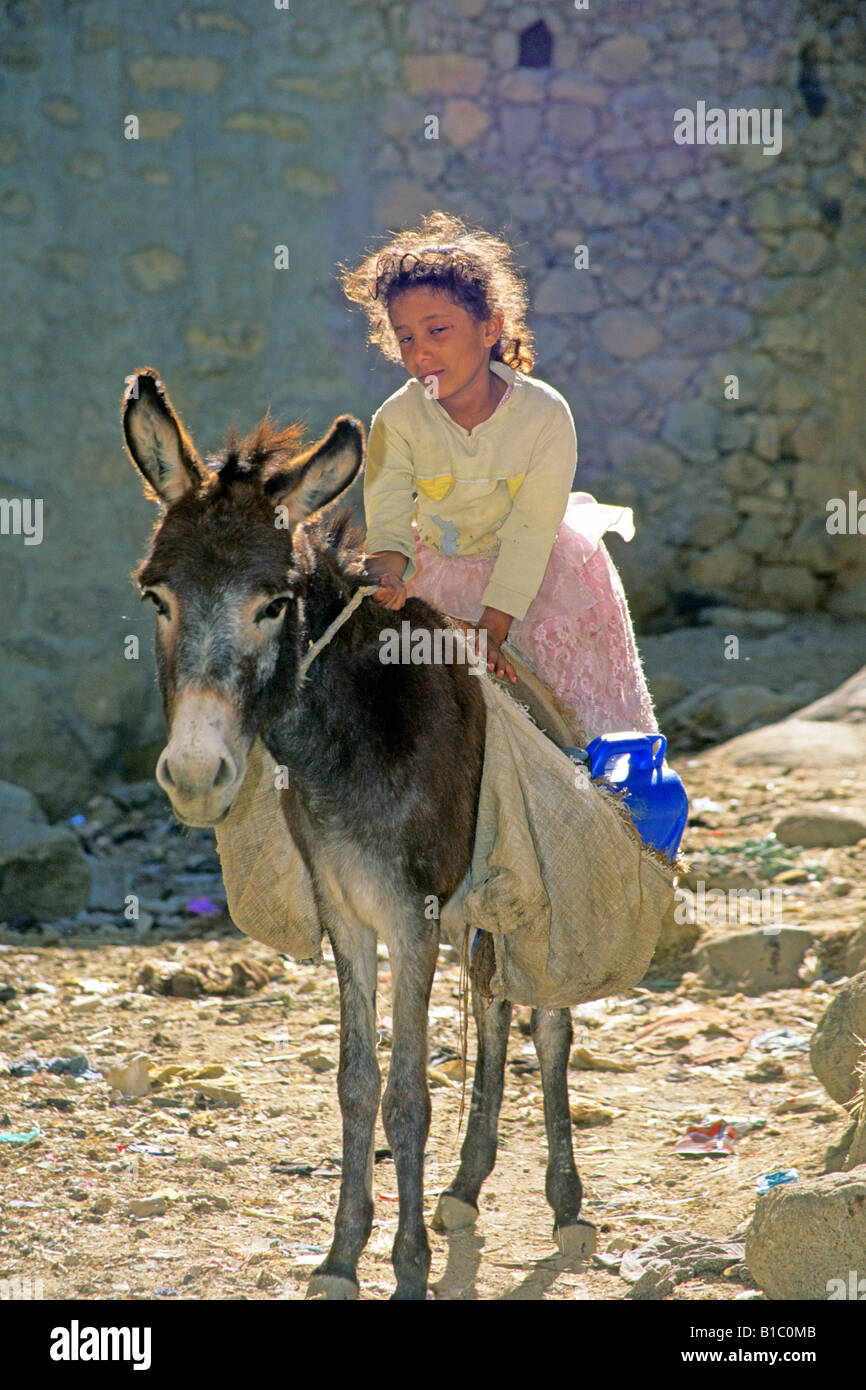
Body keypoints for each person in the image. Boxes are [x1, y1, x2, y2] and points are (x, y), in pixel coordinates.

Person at [340, 211, 657, 741]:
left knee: (571, 725)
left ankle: (610, 803)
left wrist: (491, 628)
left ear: (489, 327)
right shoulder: (395, 421)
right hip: (440, 575)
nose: (419, 353)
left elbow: (532, 531)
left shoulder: (544, 415)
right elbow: (389, 523)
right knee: (441, 728)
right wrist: (389, 575)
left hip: (539, 580)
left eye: (438, 330)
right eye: (405, 338)